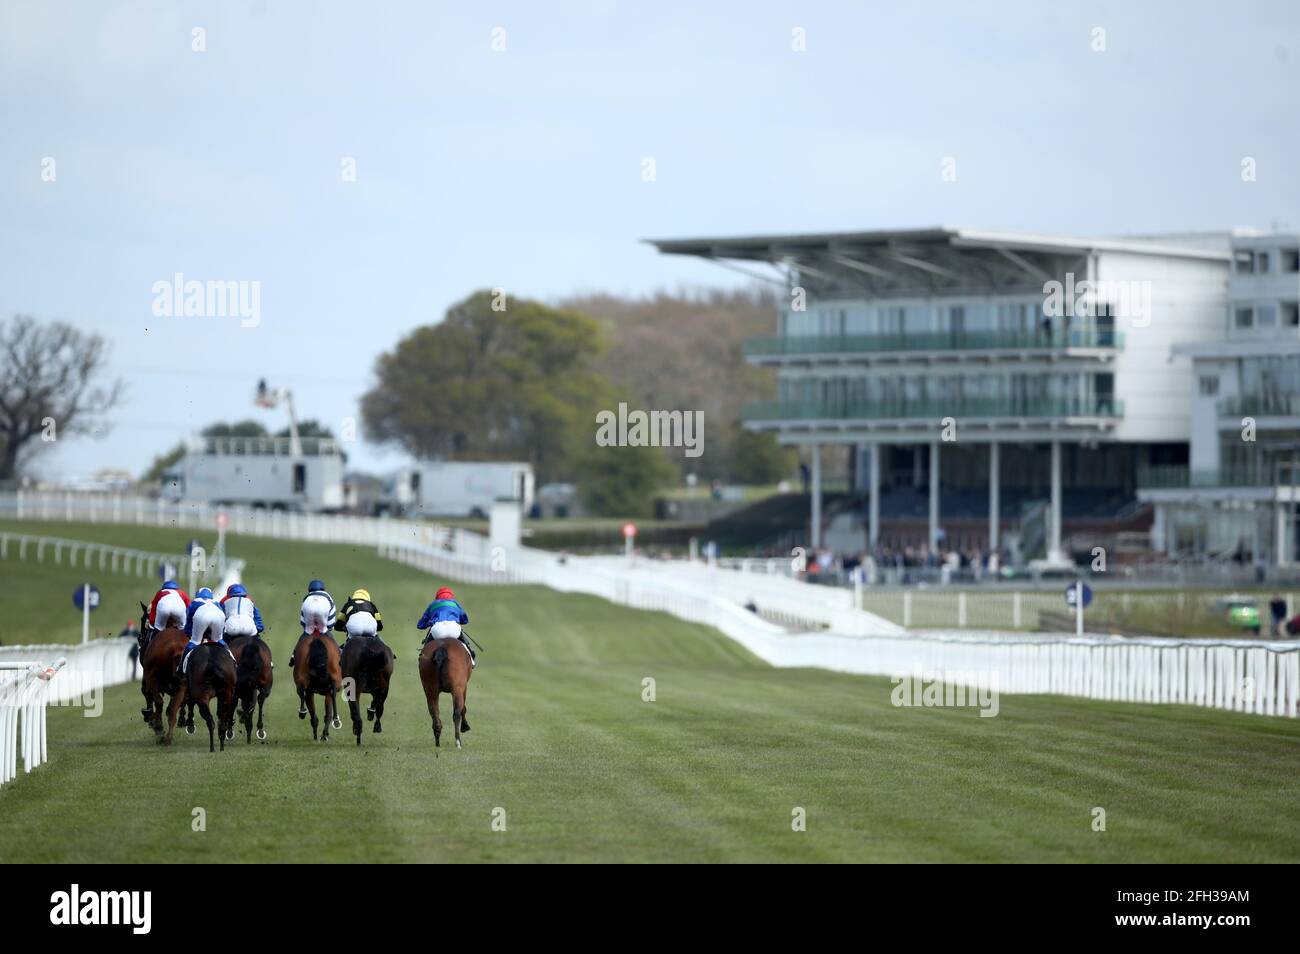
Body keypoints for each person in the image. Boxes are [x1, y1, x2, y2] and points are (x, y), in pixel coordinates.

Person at [417, 586, 473, 667]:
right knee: (464, 643)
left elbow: (420, 625)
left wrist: (431, 622)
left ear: (437, 597)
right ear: (451, 596)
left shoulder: (433, 604)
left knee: (428, 645)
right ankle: (471, 657)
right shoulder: (455, 603)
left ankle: (423, 657)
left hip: (437, 630)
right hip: (454, 630)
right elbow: (465, 620)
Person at [181, 587, 229, 674]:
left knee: (194, 641)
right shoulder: (216, 602)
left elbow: (189, 621)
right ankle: (233, 660)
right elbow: (223, 620)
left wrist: (188, 633)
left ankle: (181, 668)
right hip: (218, 615)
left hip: (202, 616)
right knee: (219, 640)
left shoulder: (195, 602)